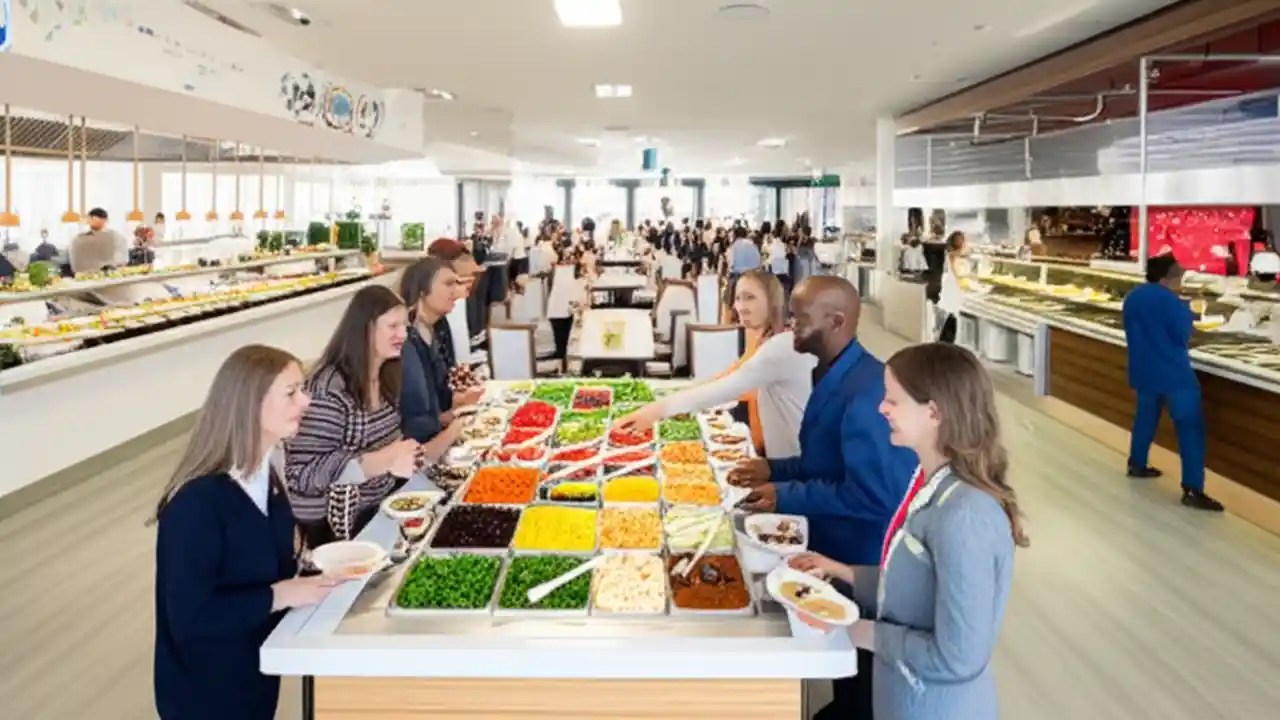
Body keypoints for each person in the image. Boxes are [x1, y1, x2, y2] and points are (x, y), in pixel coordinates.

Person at [790, 343, 1027, 720]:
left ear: (933, 412)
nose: (881, 409)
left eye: (893, 401)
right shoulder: (926, 480)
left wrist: (855, 630)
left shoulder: (964, 516)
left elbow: (958, 657)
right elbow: (918, 585)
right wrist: (844, 572)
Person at [731, 275, 917, 720]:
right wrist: (775, 469)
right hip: (832, 547)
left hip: (862, 558)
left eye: (799, 317)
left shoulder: (869, 390)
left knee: (866, 685)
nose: (790, 324)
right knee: (846, 677)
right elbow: (825, 464)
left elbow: (873, 496)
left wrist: (786, 492)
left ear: (836, 322)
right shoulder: (832, 370)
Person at [152, 345, 344, 720]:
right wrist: (280, 594)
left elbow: (263, 564)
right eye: (291, 392)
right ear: (250, 403)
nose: (306, 402)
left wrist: (317, 576)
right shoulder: (196, 503)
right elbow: (190, 618)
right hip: (205, 695)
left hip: (252, 676)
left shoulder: (266, 476)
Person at [616, 270, 812, 458]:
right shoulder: (760, 340)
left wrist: (655, 411)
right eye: (737, 298)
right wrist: (674, 393)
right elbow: (729, 375)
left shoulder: (781, 347)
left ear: (772, 302)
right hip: (768, 454)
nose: (740, 306)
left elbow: (727, 388)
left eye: (749, 297)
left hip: (794, 466)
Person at [284, 286, 426, 545]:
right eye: (392, 326)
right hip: (334, 528)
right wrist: (380, 461)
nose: (402, 335)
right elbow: (301, 474)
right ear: (365, 328)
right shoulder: (330, 390)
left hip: (380, 508)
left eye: (404, 326)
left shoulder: (387, 373)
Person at [1122, 254, 1223, 511]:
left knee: (1145, 417)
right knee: (1190, 429)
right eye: (1179, 275)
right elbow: (1183, 337)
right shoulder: (1174, 304)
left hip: (1143, 369)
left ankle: (1137, 464)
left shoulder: (1133, 297)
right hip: (1173, 374)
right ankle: (1192, 488)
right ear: (1169, 277)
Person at [399, 257, 479, 444]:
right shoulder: (405, 339)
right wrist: (453, 418)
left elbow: (442, 392)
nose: (456, 291)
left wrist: (459, 400)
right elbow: (414, 421)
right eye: (448, 284)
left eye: (456, 283)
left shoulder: (439, 328)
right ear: (422, 289)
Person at [546, 247, 590, 373]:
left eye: (571, 256)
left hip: (565, 308)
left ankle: (563, 362)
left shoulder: (571, 270)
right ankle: (562, 362)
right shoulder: (558, 269)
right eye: (566, 256)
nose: (568, 259)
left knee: (567, 341)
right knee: (562, 341)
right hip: (558, 308)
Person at [935, 231, 970, 344]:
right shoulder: (953, 255)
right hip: (953, 289)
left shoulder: (951, 253)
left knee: (951, 317)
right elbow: (958, 273)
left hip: (951, 288)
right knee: (953, 316)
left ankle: (945, 340)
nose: (964, 242)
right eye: (962, 240)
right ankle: (947, 342)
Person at [69, 207, 128, 274]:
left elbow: (122, 259)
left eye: (94, 218)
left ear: (104, 220)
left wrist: (112, 267)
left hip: (110, 274)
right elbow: (75, 259)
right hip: (85, 275)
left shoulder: (116, 236)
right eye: (90, 218)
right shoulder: (79, 238)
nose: (90, 220)